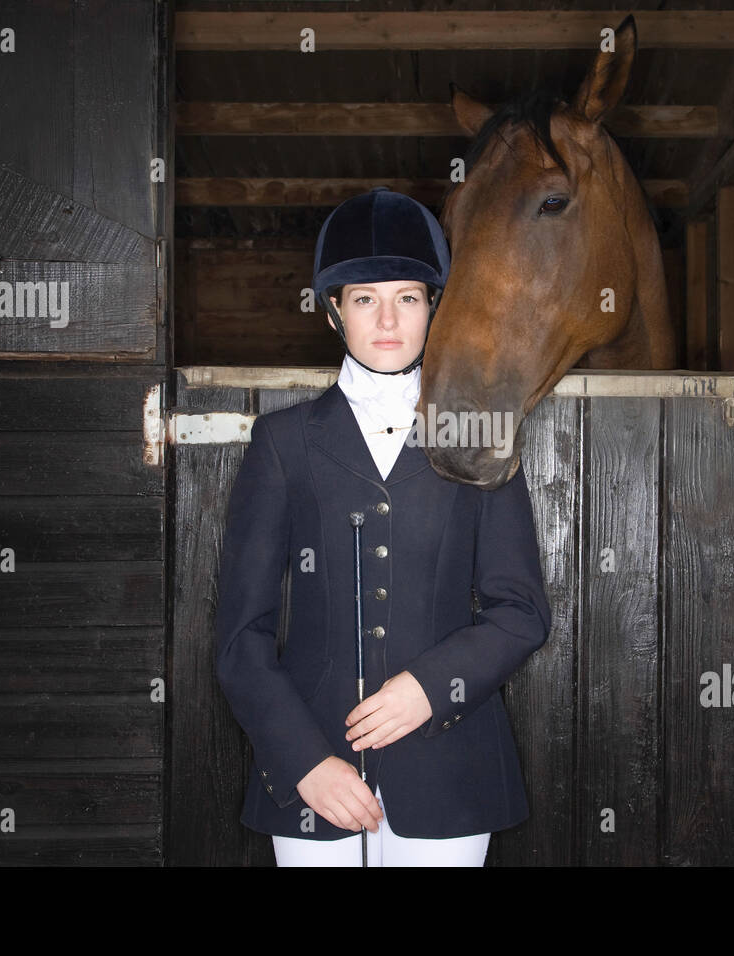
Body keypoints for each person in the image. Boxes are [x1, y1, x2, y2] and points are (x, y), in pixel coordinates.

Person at [214, 186, 552, 866]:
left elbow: (522, 613)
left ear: (433, 307)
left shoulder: (483, 437)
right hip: (315, 773)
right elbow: (238, 637)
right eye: (366, 298)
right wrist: (304, 760)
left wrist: (431, 688)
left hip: (451, 771)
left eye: (407, 297)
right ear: (335, 312)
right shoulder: (283, 444)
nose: (388, 319)